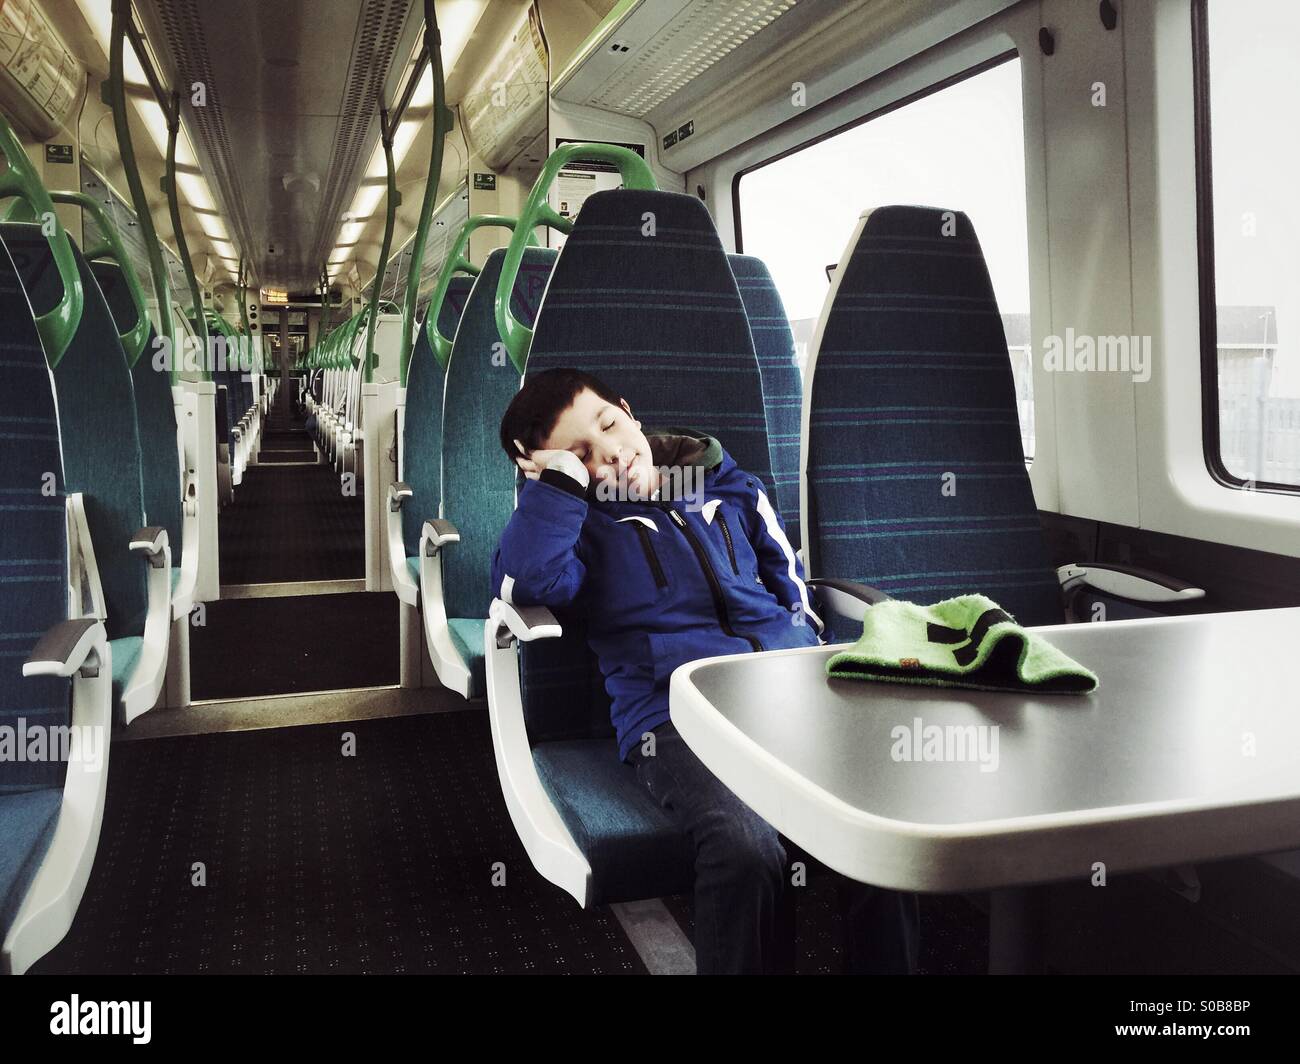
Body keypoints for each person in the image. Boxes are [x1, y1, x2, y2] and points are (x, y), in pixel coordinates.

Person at [491, 366, 918, 974]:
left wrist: (801, 647)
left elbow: (788, 577)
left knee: (884, 829)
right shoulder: (579, 523)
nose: (609, 453)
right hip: (673, 717)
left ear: (628, 410)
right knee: (744, 849)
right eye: (580, 455)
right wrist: (556, 490)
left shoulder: (724, 481)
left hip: (785, 689)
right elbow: (524, 582)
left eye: (610, 426)